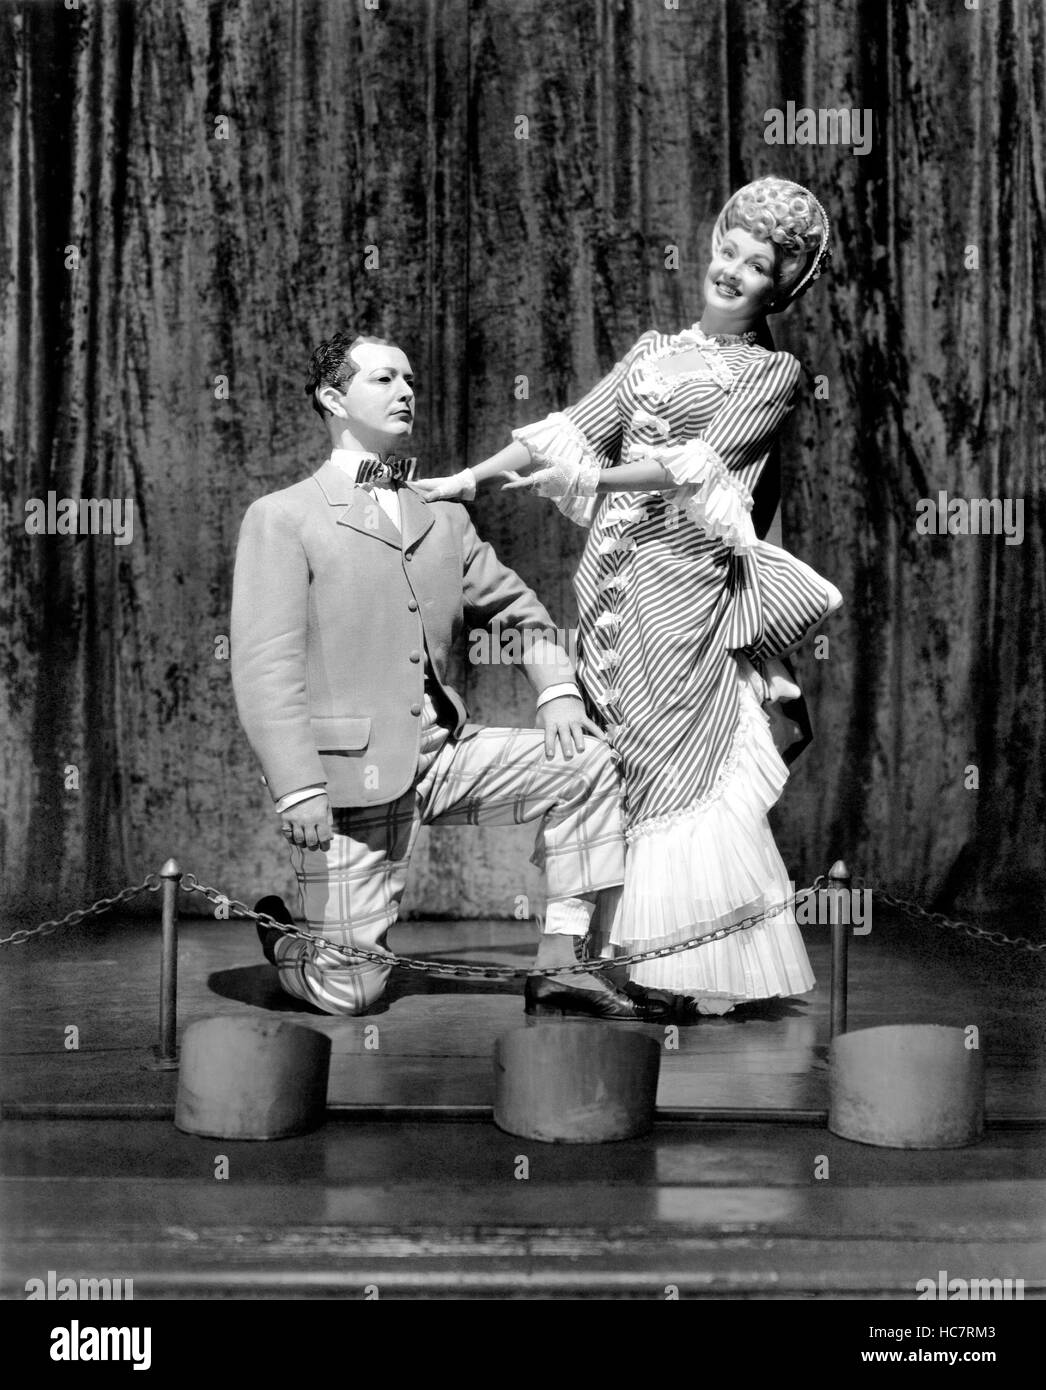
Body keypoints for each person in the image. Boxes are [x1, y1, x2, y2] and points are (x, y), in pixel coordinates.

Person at [414, 178, 842, 1014]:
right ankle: (602, 953)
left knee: (672, 762)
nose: (733, 270)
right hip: (612, 585)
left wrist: (593, 477)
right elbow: (569, 428)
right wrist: (469, 479)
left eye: (758, 266)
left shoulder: (774, 373)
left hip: (686, 593)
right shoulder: (651, 352)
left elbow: (697, 463)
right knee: (617, 762)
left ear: (780, 287)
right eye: (729, 251)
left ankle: (685, 965)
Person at [229, 331, 677, 1020]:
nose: (406, 391)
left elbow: (521, 610)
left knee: (587, 761)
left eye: (409, 379)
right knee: (350, 992)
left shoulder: (442, 516)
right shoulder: (283, 518)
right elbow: (265, 667)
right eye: (383, 380)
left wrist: (556, 689)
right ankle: (290, 938)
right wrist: (297, 790)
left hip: (449, 756)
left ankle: (561, 964)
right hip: (352, 775)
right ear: (331, 398)